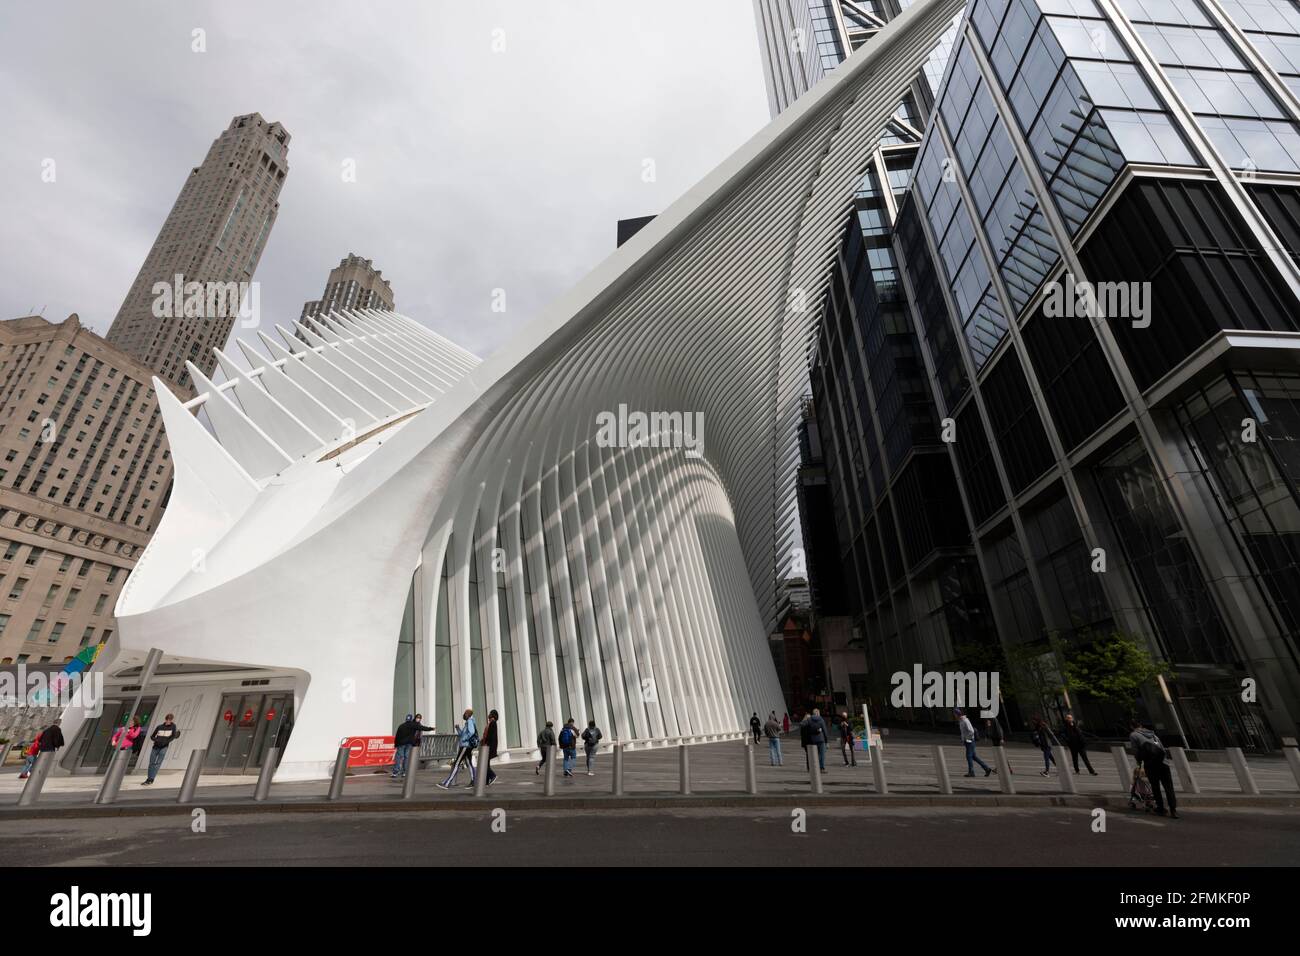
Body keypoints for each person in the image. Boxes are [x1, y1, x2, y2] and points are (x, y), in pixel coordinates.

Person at [1129, 719, 1177, 818]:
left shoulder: (1133, 735)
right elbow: (1162, 749)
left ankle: (1161, 808)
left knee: (1155, 787)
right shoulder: (1153, 734)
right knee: (1169, 787)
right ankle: (1173, 810)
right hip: (1163, 763)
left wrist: (1139, 762)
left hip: (1150, 764)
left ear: (1131, 726)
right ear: (1141, 725)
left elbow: (1135, 751)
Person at [438, 707, 478, 789]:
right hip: (466, 746)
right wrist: (458, 729)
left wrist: (465, 738)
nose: (464, 715)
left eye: (465, 714)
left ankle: (447, 783)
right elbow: (462, 735)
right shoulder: (467, 722)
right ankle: (474, 781)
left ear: (468, 714)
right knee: (469, 763)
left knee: (457, 763)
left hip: (465, 746)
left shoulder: (470, 721)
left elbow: (471, 732)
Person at [391, 713, 432, 780]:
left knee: (399, 757)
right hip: (409, 743)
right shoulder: (413, 725)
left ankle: (395, 772)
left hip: (401, 744)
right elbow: (422, 728)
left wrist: (396, 744)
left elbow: (397, 736)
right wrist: (431, 728)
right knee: (406, 757)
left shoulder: (401, 726)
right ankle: (404, 772)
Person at [143, 713, 180, 785]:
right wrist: (156, 740)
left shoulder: (173, 727)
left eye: (170, 720)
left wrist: (165, 741)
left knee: (157, 764)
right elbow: (152, 736)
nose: (168, 721)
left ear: (172, 720)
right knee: (151, 763)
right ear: (165, 719)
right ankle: (149, 778)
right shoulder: (159, 727)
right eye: (167, 719)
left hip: (164, 747)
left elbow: (172, 737)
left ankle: (151, 779)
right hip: (155, 747)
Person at [956, 708, 993, 777]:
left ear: (957, 714)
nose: (954, 716)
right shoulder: (961, 721)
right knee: (974, 757)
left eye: (955, 714)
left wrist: (966, 739)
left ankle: (971, 772)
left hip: (970, 741)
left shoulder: (965, 721)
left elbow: (971, 731)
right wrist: (963, 739)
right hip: (967, 741)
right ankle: (987, 768)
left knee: (969, 756)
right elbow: (963, 732)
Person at [479, 709, 499, 786]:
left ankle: (493, 775)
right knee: (486, 764)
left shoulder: (493, 723)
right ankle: (486, 781)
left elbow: (491, 736)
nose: (489, 714)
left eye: (490, 713)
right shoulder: (491, 723)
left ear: (493, 715)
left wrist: (486, 743)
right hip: (488, 746)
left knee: (485, 764)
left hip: (489, 747)